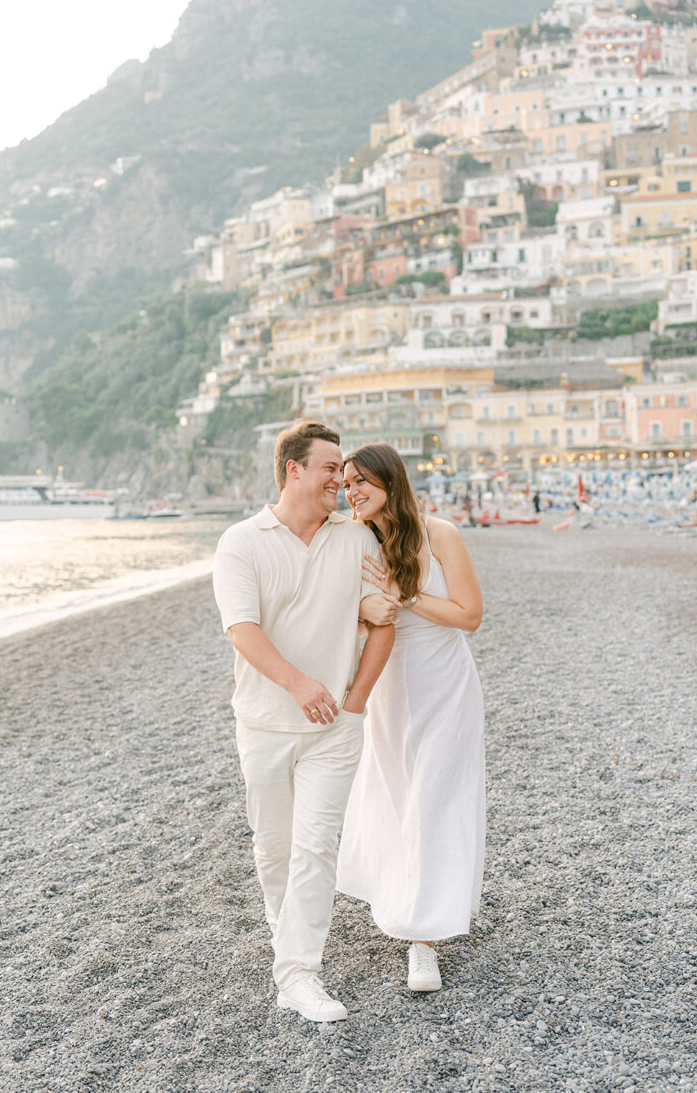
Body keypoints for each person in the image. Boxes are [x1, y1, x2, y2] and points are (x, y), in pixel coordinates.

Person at [212, 421, 394, 1023]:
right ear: (294, 469)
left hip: (336, 727)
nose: (341, 480)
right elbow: (243, 630)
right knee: (275, 849)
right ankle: (287, 943)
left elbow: (382, 617)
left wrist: (357, 698)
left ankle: (299, 976)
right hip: (263, 722)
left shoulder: (357, 537)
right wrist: (298, 684)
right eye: (330, 467)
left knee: (316, 847)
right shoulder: (242, 542)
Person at [337, 443, 485, 993]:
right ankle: (405, 894)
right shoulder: (355, 542)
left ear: (389, 479)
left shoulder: (439, 533)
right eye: (346, 482)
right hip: (389, 688)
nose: (351, 490)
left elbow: (470, 616)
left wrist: (408, 594)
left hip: (445, 686)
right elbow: (346, 618)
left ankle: (422, 941)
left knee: (433, 798)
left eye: (360, 480)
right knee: (397, 795)